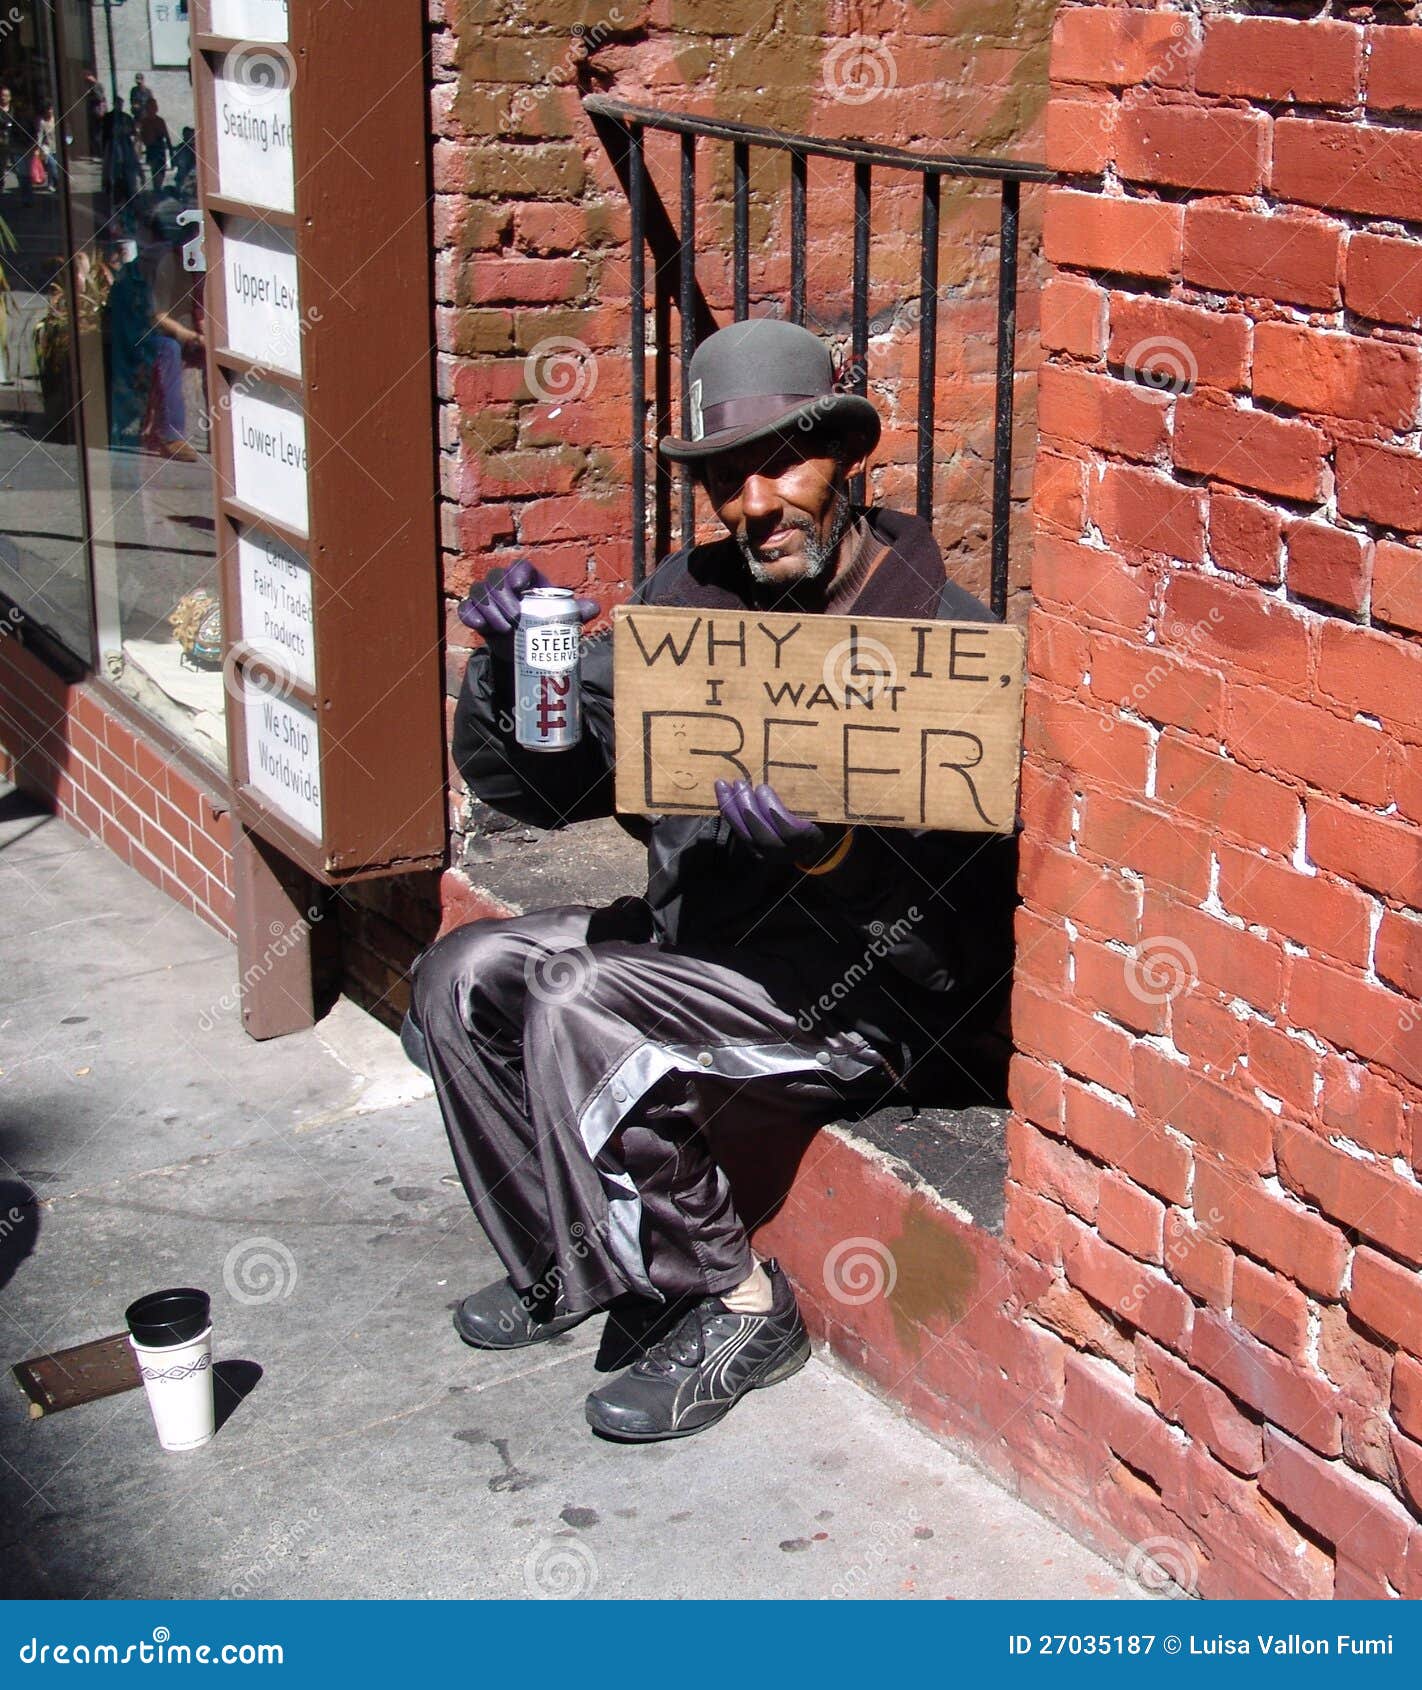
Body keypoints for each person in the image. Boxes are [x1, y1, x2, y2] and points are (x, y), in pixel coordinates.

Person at [407, 317, 1017, 1443]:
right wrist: (503, 678)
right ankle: (566, 1252)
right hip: (696, 956)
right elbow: (546, 790)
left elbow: (965, 948)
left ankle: (731, 1300)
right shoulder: (688, 600)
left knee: (576, 999)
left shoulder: (939, 638)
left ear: (847, 460)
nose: (754, 502)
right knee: (464, 973)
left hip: (844, 1003)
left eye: (783, 463)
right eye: (727, 477)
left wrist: (829, 853)